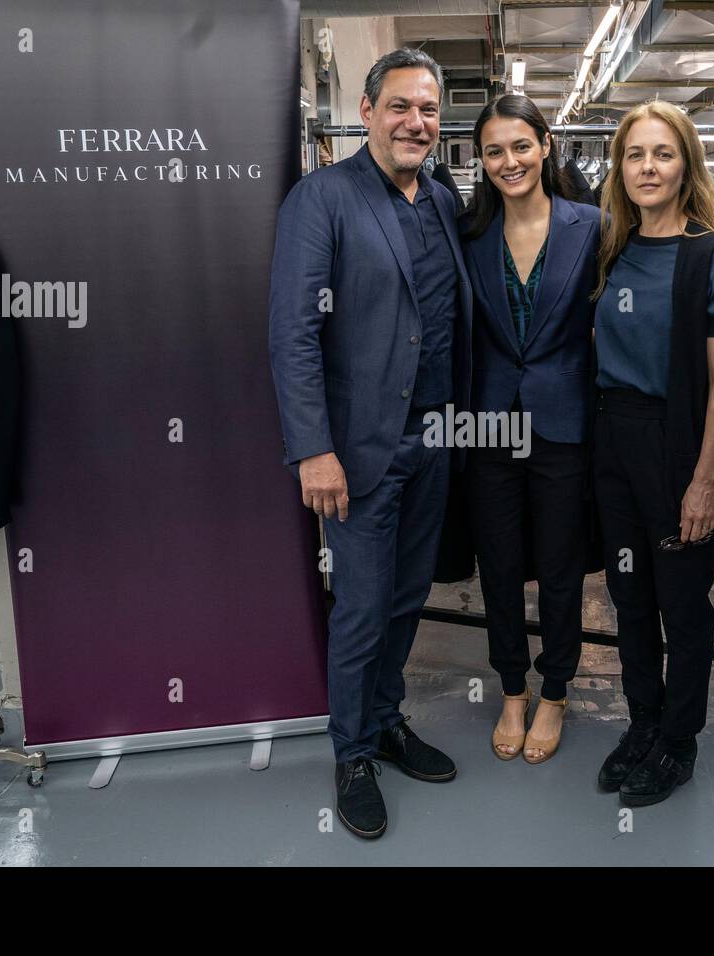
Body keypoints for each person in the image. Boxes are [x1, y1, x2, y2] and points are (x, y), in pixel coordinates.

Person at [268, 48, 472, 840]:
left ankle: (386, 720)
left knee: (408, 595)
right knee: (360, 608)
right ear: (367, 109)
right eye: (400, 106)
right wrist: (313, 449)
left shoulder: (445, 201)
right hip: (357, 452)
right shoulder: (322, 198)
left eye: (428, 109)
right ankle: (352, 751)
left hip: (434, 437)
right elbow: (293, 335)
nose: (415, 122)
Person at [590, 101, 714, 807]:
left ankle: (679, 741)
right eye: (634, 155)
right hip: (612, 439)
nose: (647, 167)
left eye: (662, 153)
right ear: (619, 168)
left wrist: (703, 482)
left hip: (674, 443)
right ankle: (643, 722)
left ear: (687, 165)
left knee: (682, 605)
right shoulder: (613, 247)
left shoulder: (711, 258)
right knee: (628, 597)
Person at [458, 95, 598, 764]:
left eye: (520, 145)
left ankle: (556, 690)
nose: (507, 161)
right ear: (480, 161)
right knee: (500, 568)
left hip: (564, 424)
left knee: (563, 571)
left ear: (546, 145)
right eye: (493, 151)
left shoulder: (593, 226)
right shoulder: (469, 235)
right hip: (489, 428)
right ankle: (512, 687)